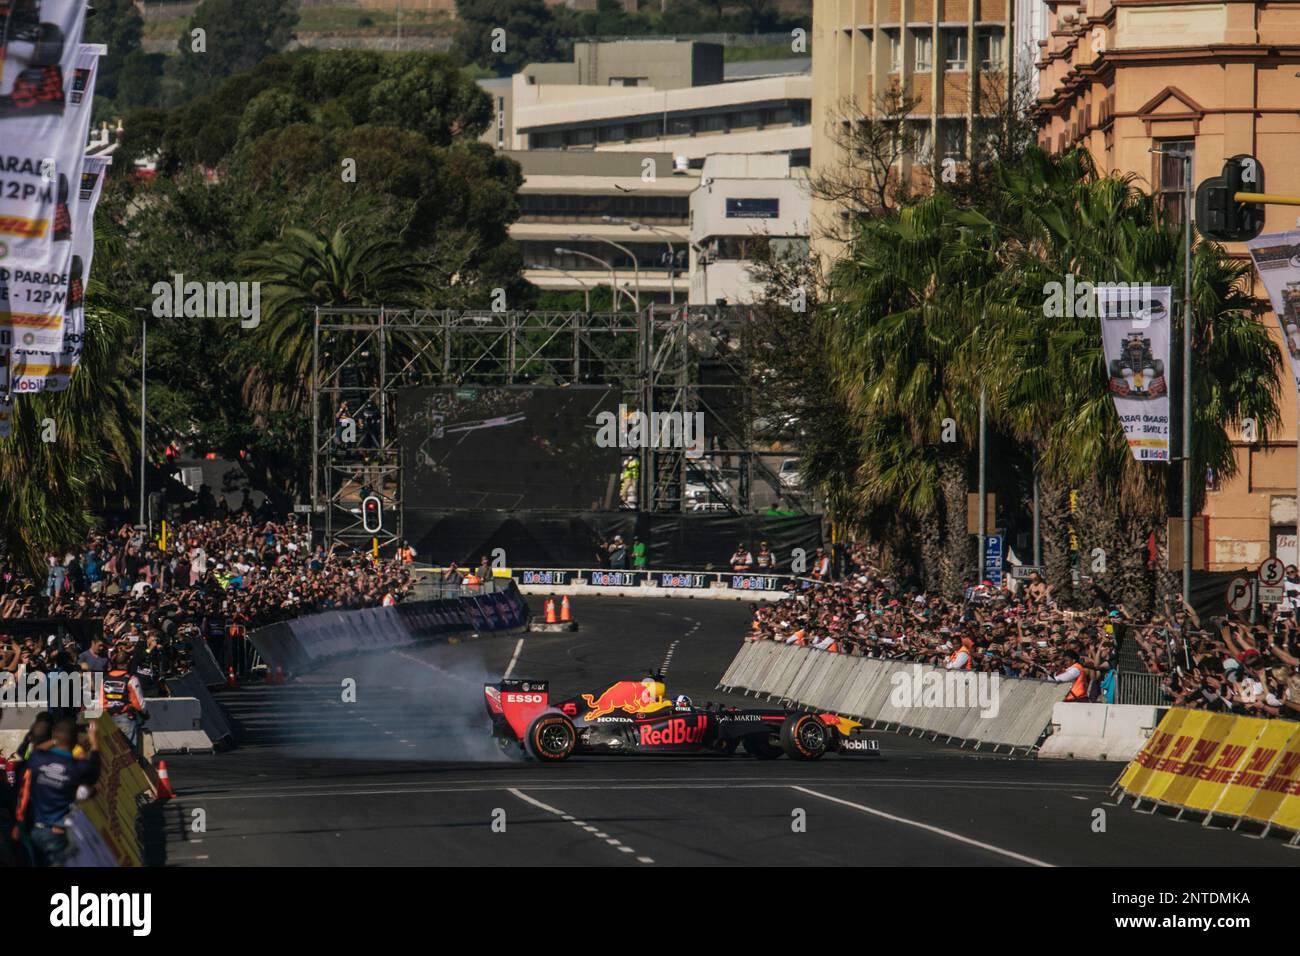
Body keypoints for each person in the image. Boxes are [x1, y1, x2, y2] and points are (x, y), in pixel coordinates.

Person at [15, 718, 100, 866]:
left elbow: (37, 749)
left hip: (32, 829)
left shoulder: (37, 759)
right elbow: (94, 769)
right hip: (56, 833)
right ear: (75, 742)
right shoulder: (77, 768)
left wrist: (54, 740)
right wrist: (94, 742)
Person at [101, 647, 149, 755]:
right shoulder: (131, 679)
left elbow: (101, 701)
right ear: (128, 662)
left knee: (113, 752)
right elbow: (139, 704)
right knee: (129, 753)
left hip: (108, 719)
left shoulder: (105, 679)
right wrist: (145, 714)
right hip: (125, 718)